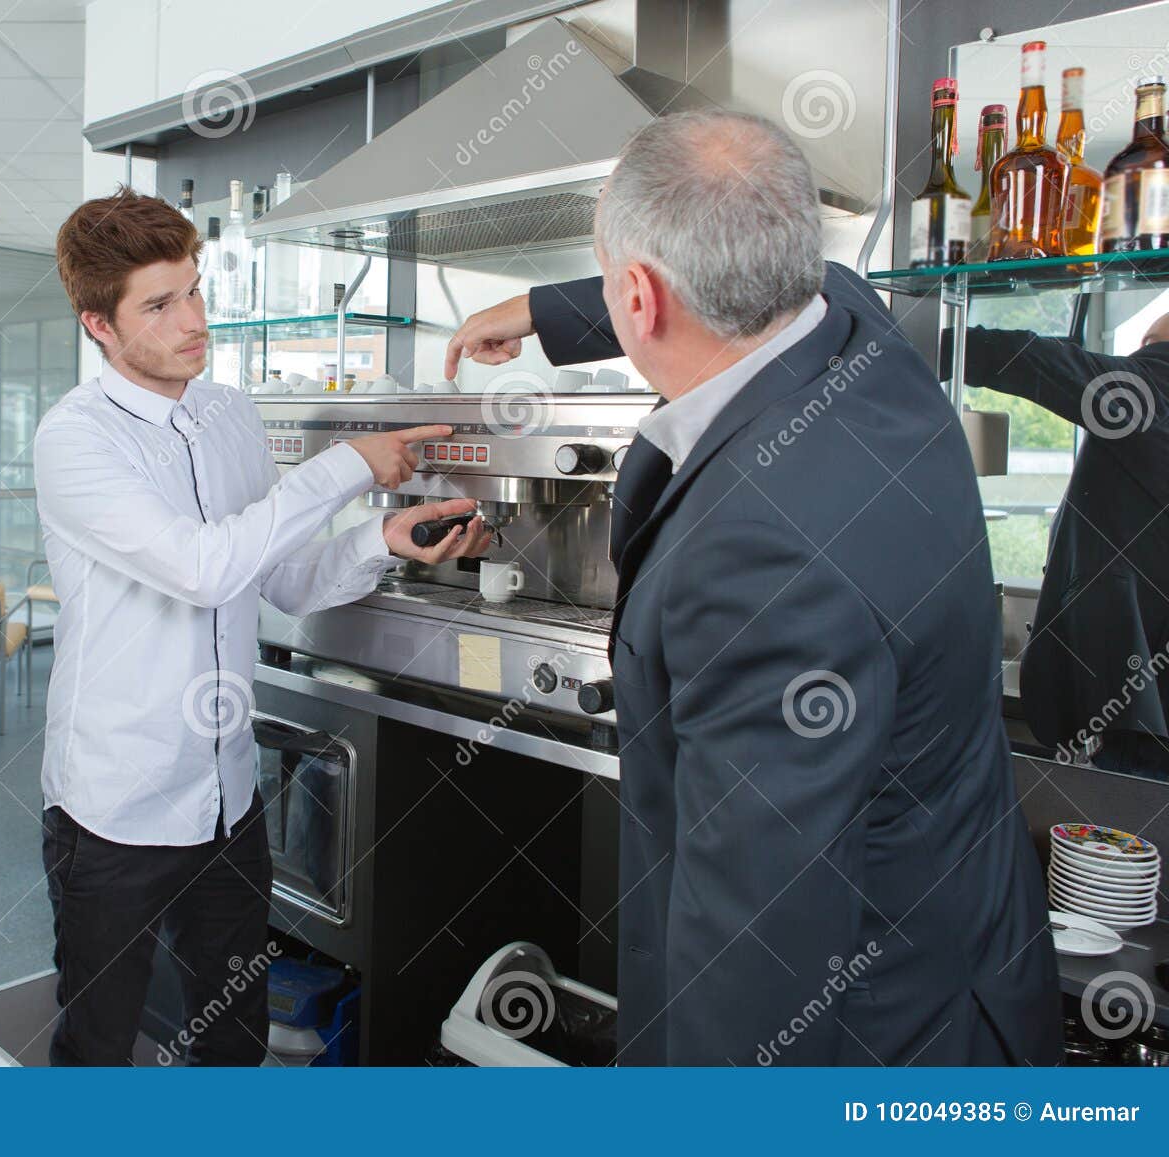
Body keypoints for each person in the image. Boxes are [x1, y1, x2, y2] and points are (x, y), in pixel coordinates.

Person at [447, 110, 1059, 1065]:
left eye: (615, 284)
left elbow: (756, 953)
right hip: (976, 953)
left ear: (639, 297)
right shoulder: (860, 331)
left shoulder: (761, 561)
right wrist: (541, 310)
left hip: (881, 1038)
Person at [34, 189, 490, 1066]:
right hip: (114, 805)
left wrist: (379, 538)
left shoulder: (231, 415)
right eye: (158, 306)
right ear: (98, 323)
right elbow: (203, 567)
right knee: (98, 1042)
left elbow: (277, 578)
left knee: (233, 1040)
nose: (192, 321)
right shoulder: (76, 441)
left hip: (227, 799)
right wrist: (346, 466)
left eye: (194, 291)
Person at [950, 314, 1169, 779]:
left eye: (1146, 344)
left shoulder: (1151, 392)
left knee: (1113, 828)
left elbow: (1038, 363)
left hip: (1132, 704)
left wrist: (938, 341)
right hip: (1144, 695)